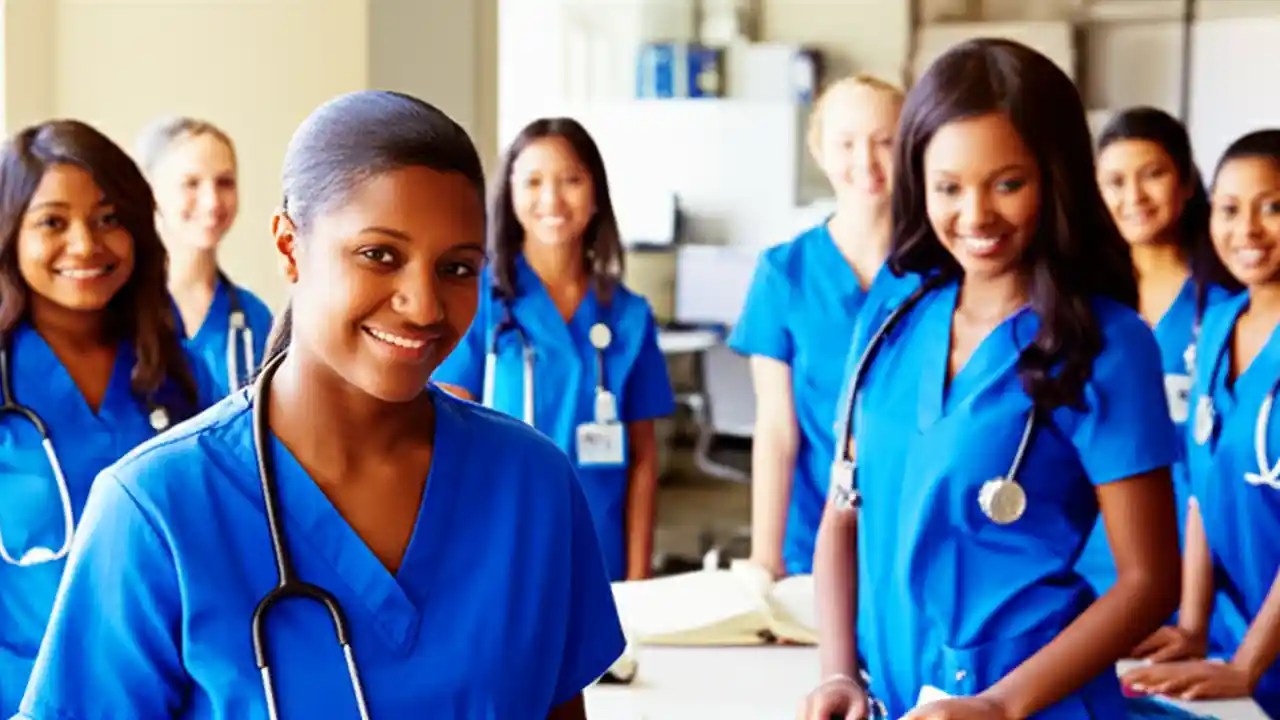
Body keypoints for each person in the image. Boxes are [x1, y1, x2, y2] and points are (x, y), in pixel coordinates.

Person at [15, 91, 624, 720]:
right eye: (379, 255)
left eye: (457, 268)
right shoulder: (158, 508)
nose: (425, 305)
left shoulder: (533, 485)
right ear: (288, 246)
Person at [798, 39, 1181, 720]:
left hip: (1032, 704)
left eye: (1008, 183)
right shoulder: (895, 310)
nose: (975, 216)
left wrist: (1001, 707)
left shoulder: (1108, 344)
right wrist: (838, 672)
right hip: (898, 698)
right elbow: (843, 510)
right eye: (949, 187)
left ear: (1055, 176)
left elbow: (1150, 581)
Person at [0, 120, 212, 716]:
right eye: (52, 222)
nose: (86, 245)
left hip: (162, 692)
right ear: (10, 233)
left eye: (109, 218)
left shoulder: (175, 373)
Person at [432, 117, 674, 582]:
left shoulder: (629, 316)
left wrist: (640, 578)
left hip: (601, 554)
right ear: (510, 194)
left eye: (571, 180)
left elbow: (644, 462)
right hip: (496, 549)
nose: (552, 200)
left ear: (596, 192)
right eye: (534, 182)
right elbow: (445, 439)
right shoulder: (476, 298)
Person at [1122, 129, 1280, 718]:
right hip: (1234, 639)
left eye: (1273, 208)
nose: (1248, 230)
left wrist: (1249, 664)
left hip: (1259, 655)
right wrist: (1190, 626)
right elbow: (1201, 494)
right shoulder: (1214, 325)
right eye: (1231, 209)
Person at [728, 74, 912, 579]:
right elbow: (776, 429)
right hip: (813, 531)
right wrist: (765, 558)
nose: (865, 161)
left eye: (884, 142)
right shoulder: (783, 273)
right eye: (846, 143)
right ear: (818, 150)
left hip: (918, 530)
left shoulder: (939, 272)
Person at [1078, 107, 1239, 598]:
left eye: (1153, 175)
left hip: (1208, 571)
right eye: (1115, 181)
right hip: (1092, 566)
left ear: (1188, 183)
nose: (1134, 198)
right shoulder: (1078, 305)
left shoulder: (1229, 304)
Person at [136, 116, 274, 398]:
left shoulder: (254, 318)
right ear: (150, 191)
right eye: (191, 183)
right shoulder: (122, 311)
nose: (212, 202)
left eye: (225, 182)